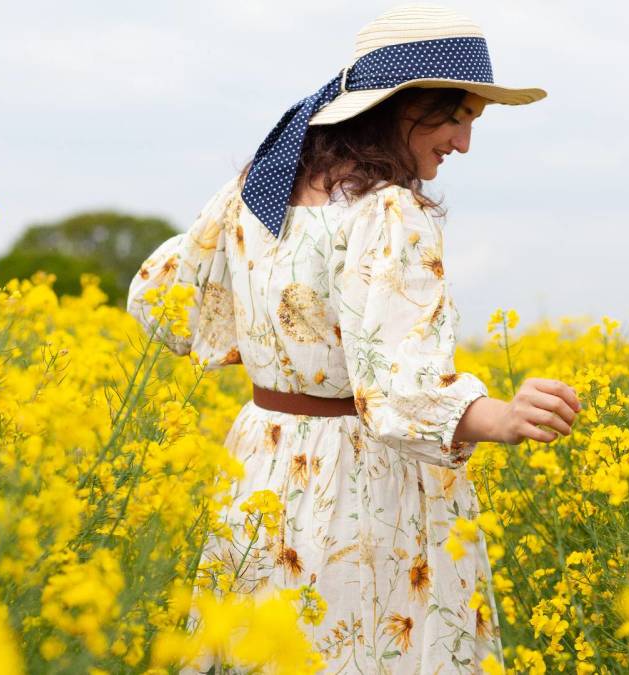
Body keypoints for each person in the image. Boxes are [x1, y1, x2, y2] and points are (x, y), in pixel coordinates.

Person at [127, 4, 580, 673]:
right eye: (457, 117)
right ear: (407, 105)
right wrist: (502, 418)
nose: (463, 143)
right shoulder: (389, 211)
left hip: (261, 466)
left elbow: (161, 299)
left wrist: (277, 351)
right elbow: (397, 392)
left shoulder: (257, 188)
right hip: (361, 479)